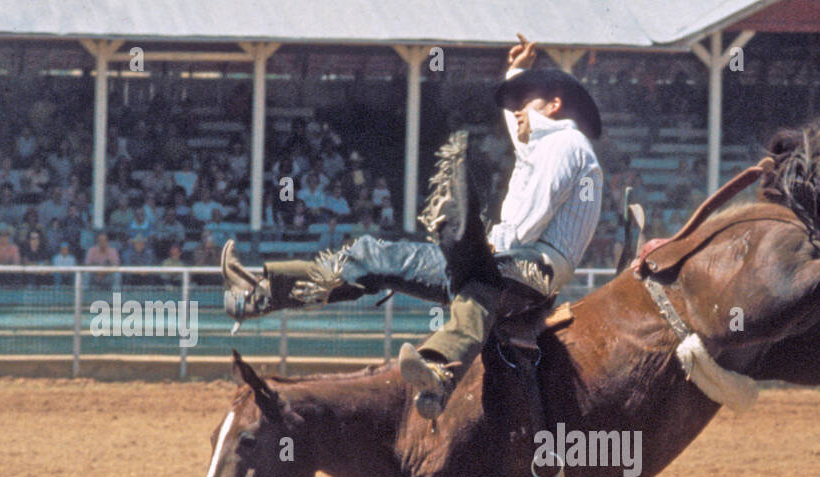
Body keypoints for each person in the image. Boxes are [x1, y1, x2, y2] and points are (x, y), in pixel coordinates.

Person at [222, 34, 605, 419]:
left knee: (481, 283)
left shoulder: (565, 146)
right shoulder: (545, 143)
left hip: (532, 266)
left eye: (526, 102)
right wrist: (518, 71)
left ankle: (440, 370)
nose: (516, 111)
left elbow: (529, 218)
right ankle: (261, 293)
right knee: (375, 257)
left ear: (554, 106)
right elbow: (518, 125)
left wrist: (487, 249)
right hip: (515, 259)